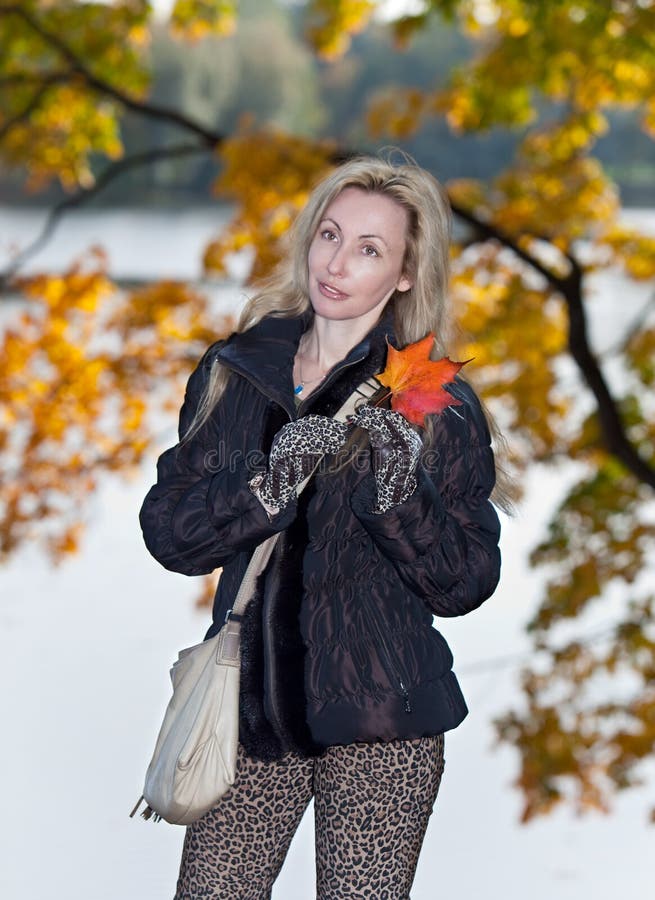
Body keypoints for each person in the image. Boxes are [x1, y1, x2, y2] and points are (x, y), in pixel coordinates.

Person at [139, 156, 502, 899]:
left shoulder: (433, 402)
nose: (336, 264)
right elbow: (171, 535)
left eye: (369, 249)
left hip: (384, 719)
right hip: (251, 712)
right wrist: (265, 486)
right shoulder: (237, 371)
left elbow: (463, 583)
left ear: (406, 273)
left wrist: (398, 495)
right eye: (330, 235)